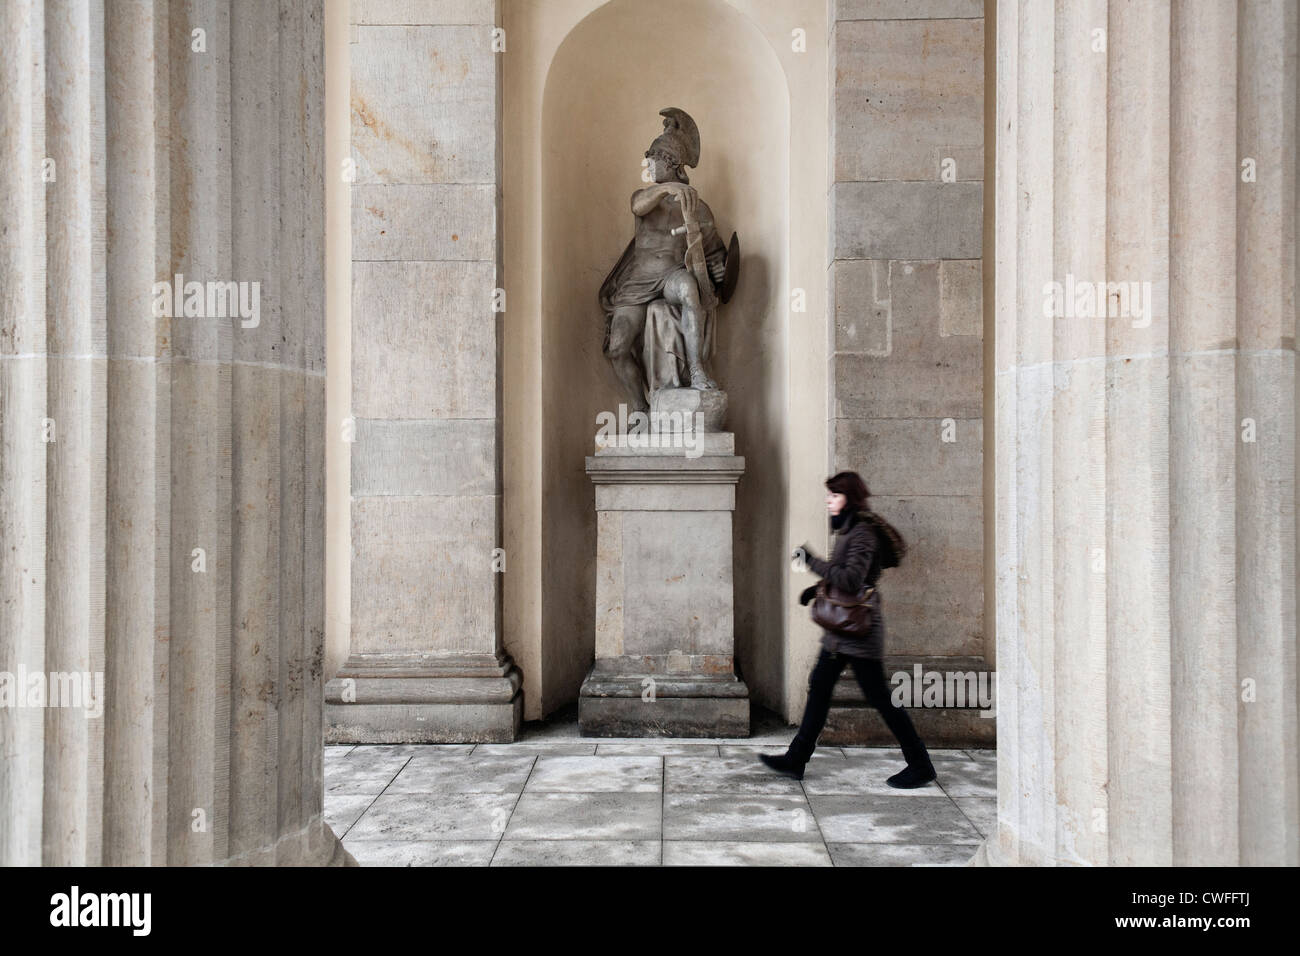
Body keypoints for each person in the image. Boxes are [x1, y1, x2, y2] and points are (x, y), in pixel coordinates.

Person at [760, 471, 938, 789]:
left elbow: (852, 580)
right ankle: (796, 758)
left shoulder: (863, 533)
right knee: (820, 688)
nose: (829, 501)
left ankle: (921, 764)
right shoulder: (850, 529)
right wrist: (816, 590)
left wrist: (813, 562)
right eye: (829, 495)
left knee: (881, 698)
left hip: (859, 634)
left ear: (850, 498)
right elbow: (843, 578)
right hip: (841, 633)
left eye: (835, 495)